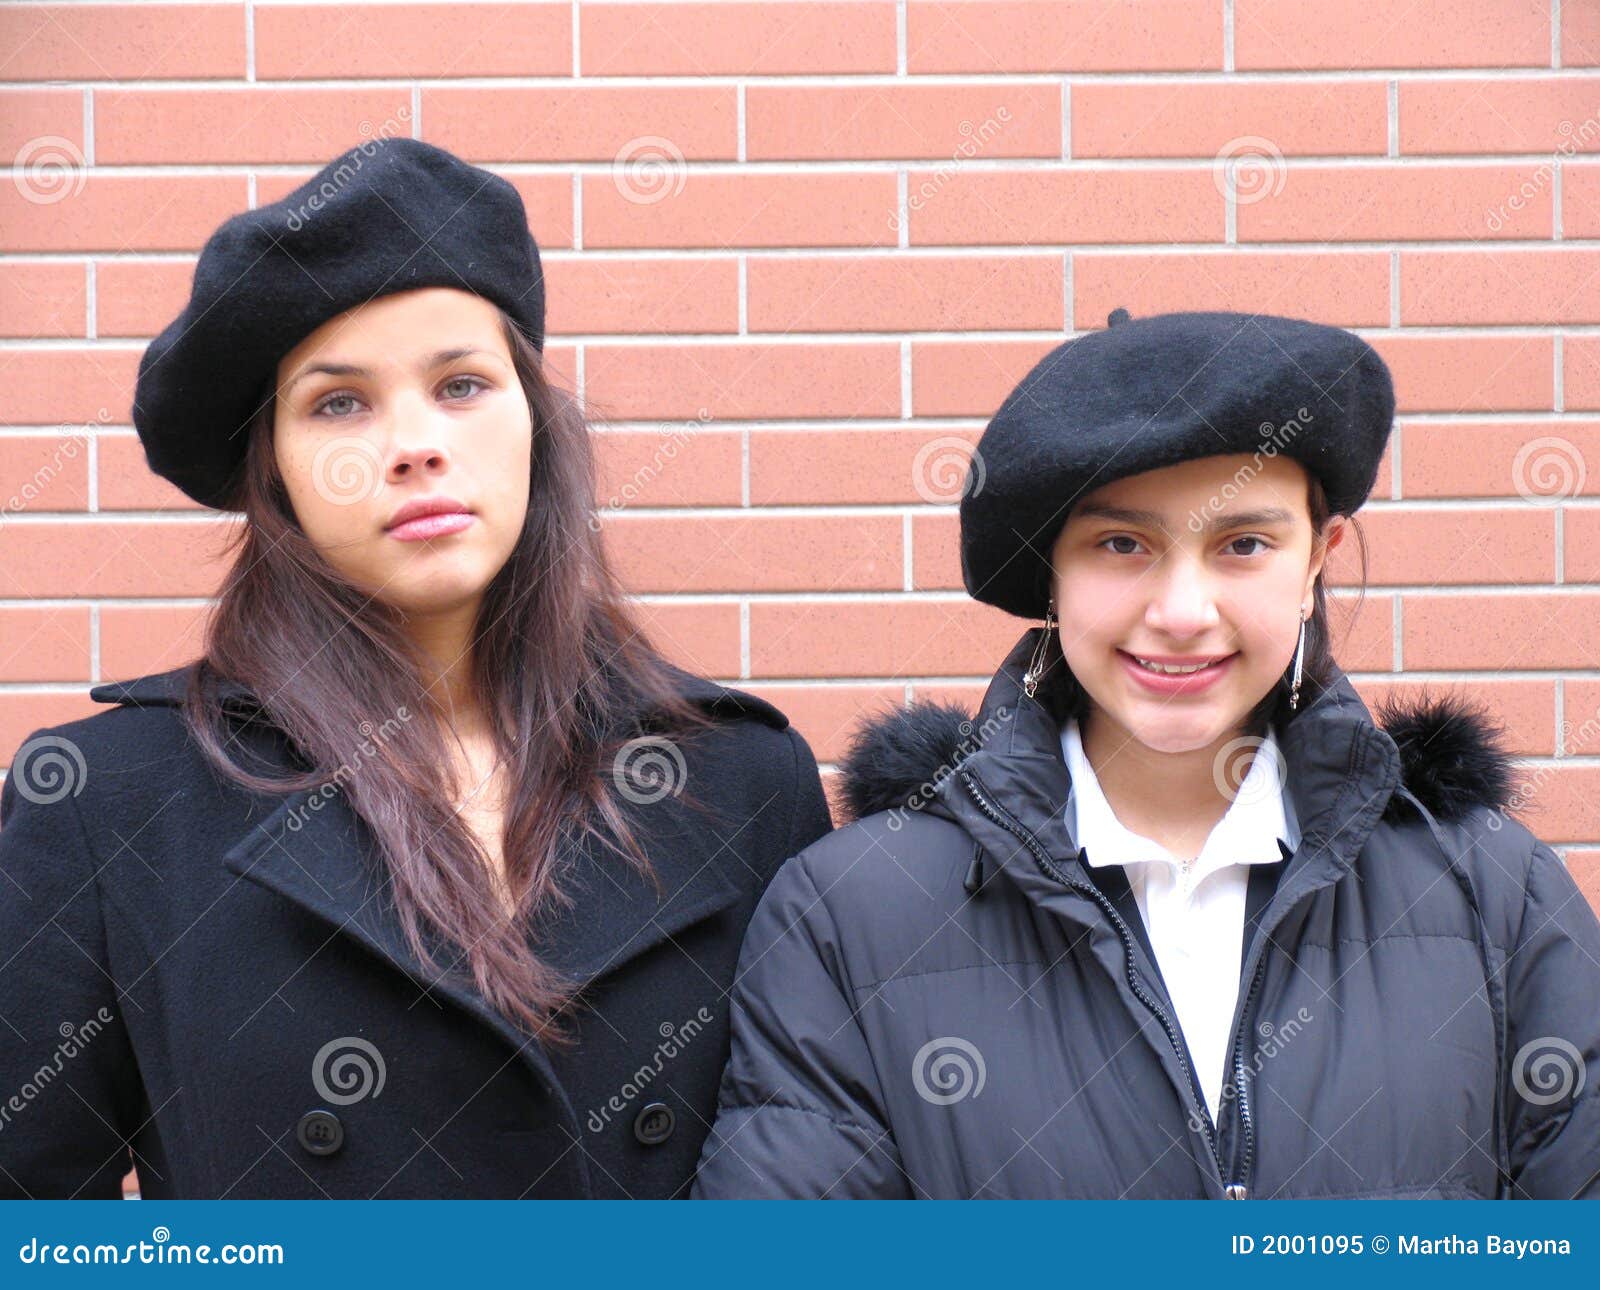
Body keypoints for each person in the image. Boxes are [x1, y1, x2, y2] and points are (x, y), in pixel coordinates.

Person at [0, 138, 832, 1199]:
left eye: (463, 384)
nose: (413, 443)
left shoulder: (739, 780)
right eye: (338, 403)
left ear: (535, 421)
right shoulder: (111, 801)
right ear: (278, 476)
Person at [693, 309, 1600, 1199]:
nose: (1181, 611)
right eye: (1122, 544)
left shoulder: (1492, 894)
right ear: (1052, 567)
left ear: (1318, 556)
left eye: (1244, 544)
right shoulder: (853, 914)